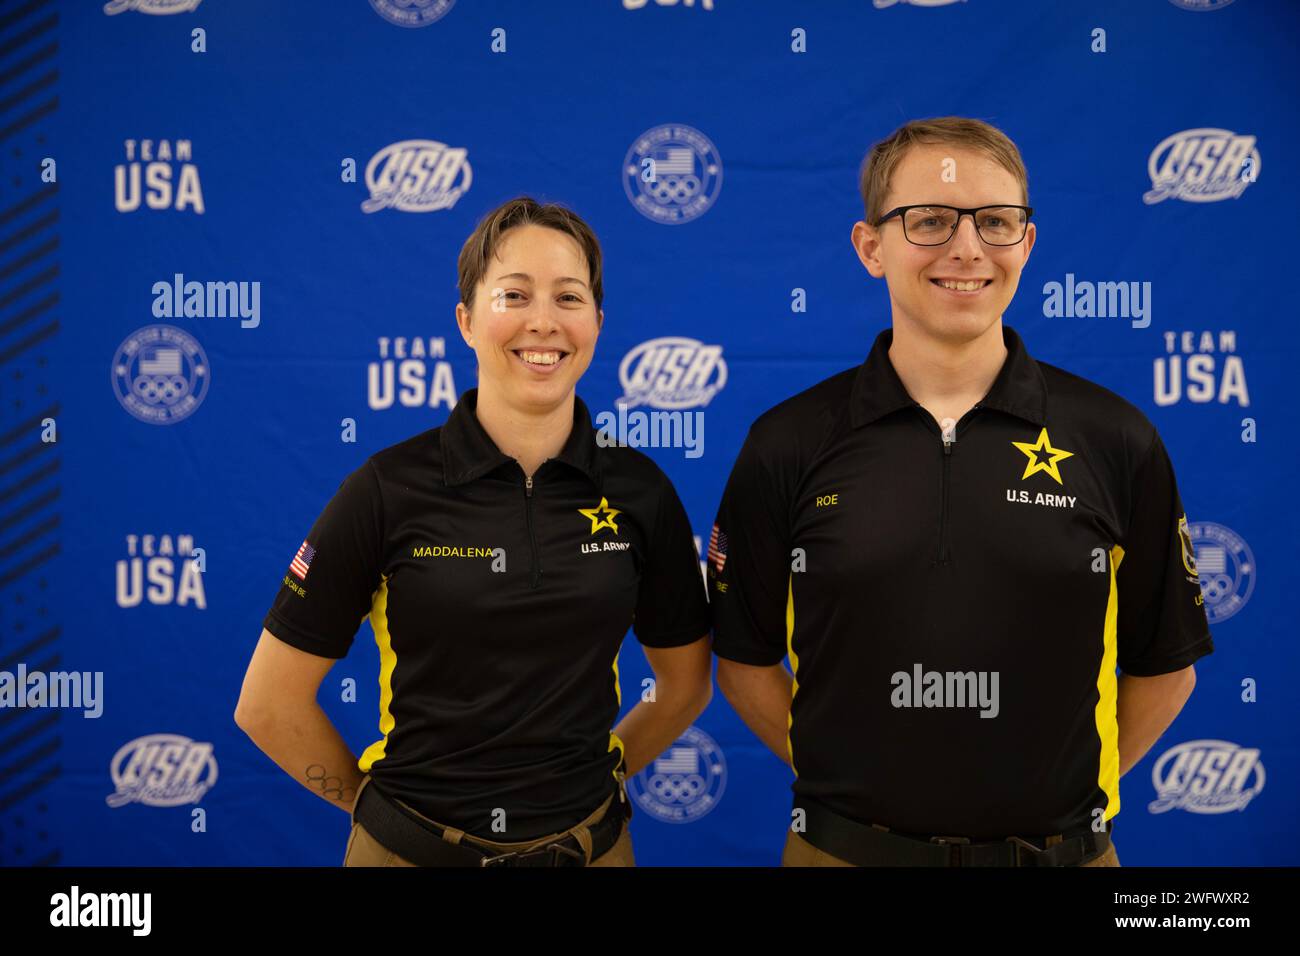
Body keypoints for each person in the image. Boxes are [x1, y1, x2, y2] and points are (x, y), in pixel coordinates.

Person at [707, 117, 1214, 867]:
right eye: (930, 221)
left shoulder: (1117, 439)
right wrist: (854, 789)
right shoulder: (787, 442)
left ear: (1027, 245)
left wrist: (1061, 802)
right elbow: (744, 662)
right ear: (870, 247)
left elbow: (1168, 666)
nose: (967, 248)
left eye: (996, 223)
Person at [235, 196, 713, 866]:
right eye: (513, 294)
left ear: (598, 323)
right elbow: (268, 704)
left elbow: (686, 685)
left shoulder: (640, 492)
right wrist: (381, 823)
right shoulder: (385, 488)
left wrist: (584, 790)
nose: (542, 322)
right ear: (466, 320)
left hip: (591, 851)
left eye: (568, 298)